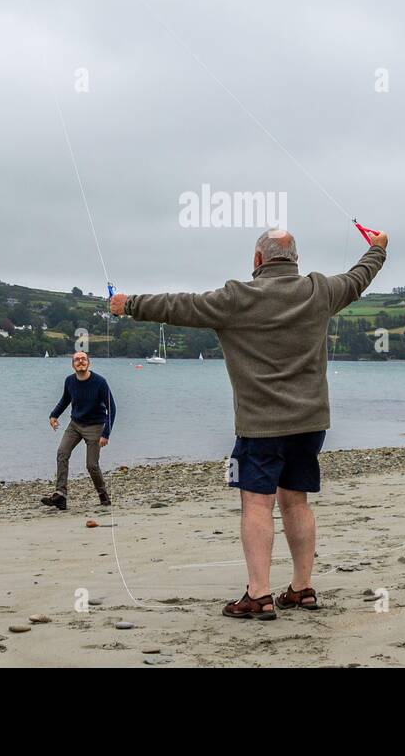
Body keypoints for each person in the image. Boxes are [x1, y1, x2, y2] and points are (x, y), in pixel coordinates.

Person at [110, 226, 387, 619]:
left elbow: (177, 306)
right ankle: (302, 588)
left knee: (257, 503)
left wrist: (130, 304)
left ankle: (258, 595)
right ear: (295, 260)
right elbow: (360, 277)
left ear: (258, 260)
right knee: (297, 501)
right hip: (310, 423)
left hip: (259, 427)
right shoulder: (319, 290)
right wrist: (378, 249)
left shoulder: (236, 299)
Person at [43, 350, 116, 509]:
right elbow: (65, 400)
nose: (80, 361)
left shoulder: (100, 382)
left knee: (91, 465)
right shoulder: (69, 381)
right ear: (73, 364)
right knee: (62, 453)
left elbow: (112, 408)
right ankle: (60, 495)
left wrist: (106, 433)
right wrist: (53, 415)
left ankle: (103, 494)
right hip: (75, 425)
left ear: (88, 363)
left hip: (95, 426)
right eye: (77, 359)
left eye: (83, 359)